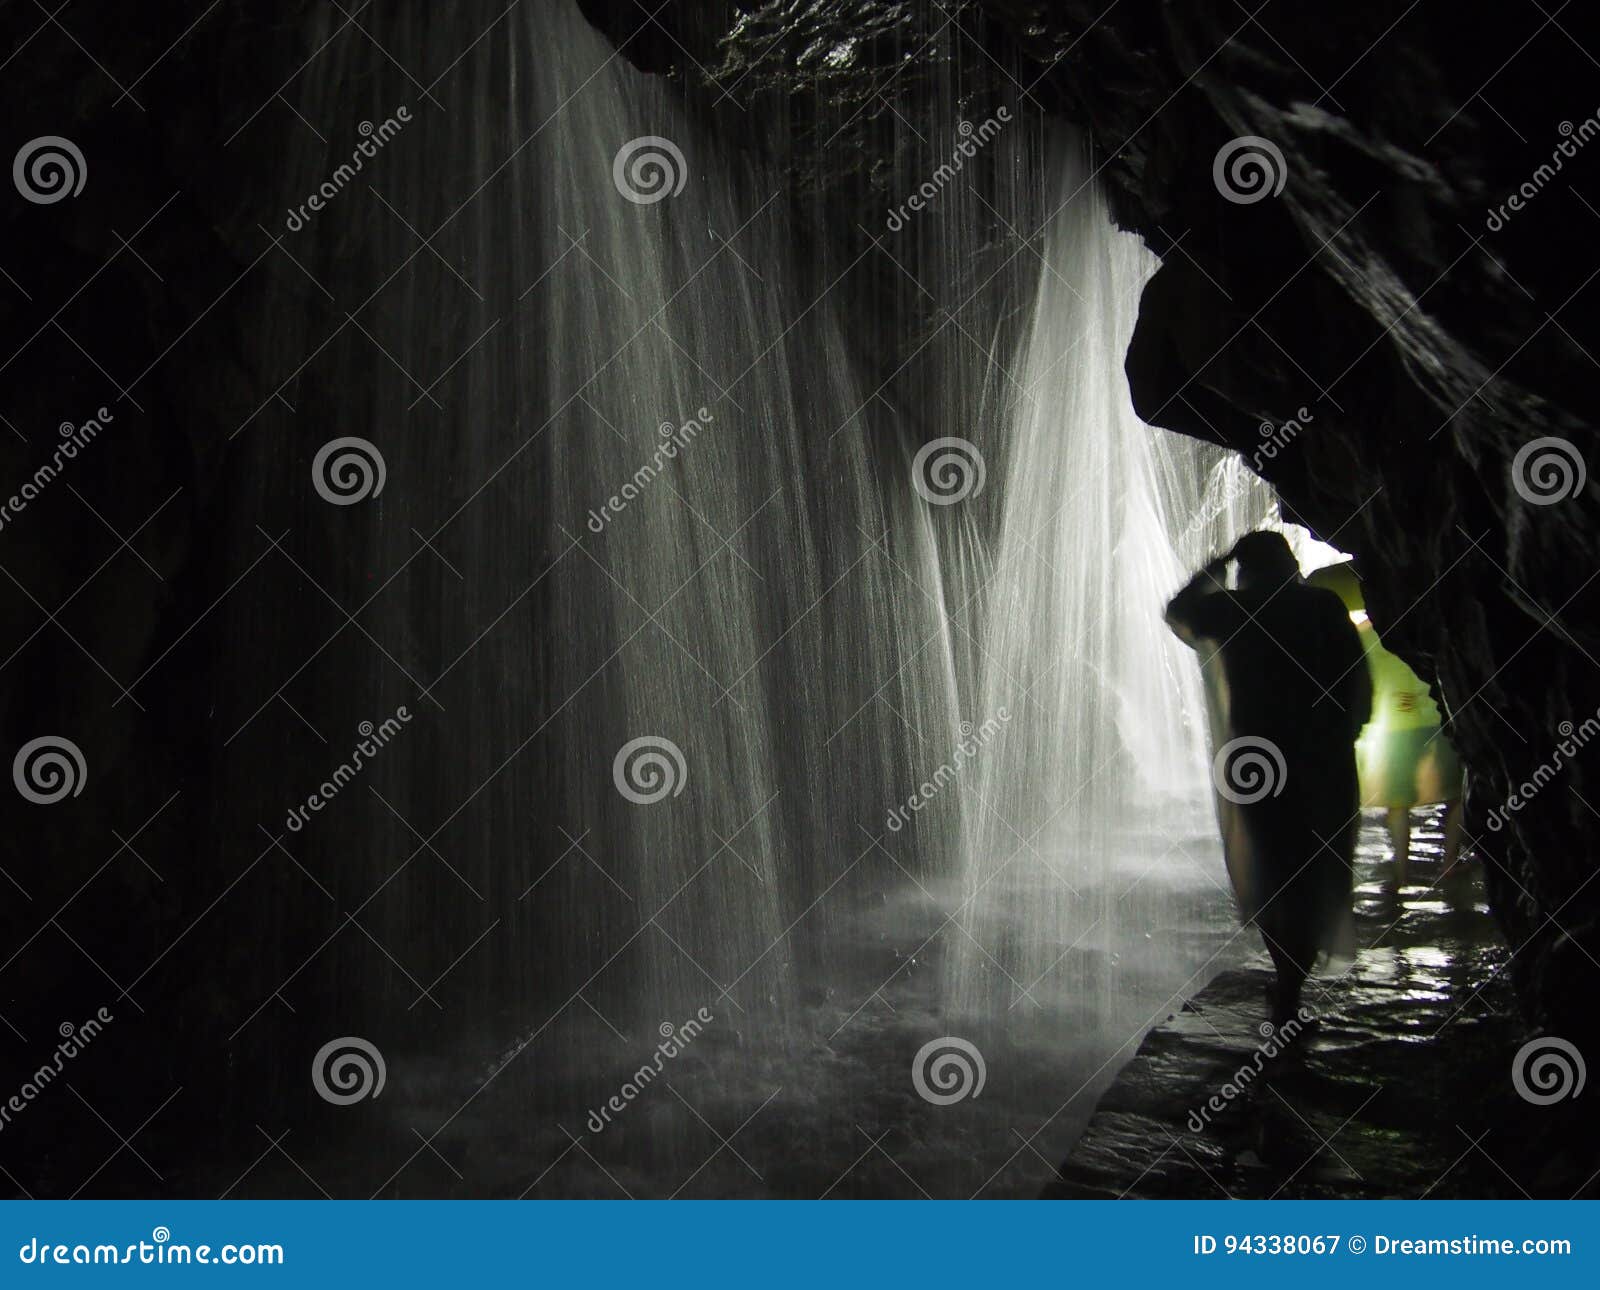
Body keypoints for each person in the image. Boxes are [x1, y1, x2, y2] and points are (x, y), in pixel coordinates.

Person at [1166, 530, 1373, 1027]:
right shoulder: (1323, 607)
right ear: (1289, 564)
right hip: (1320, 758)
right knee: (1316, 864)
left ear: (1248, 570)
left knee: (1272, 865)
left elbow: (1178, 612)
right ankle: (1292, 982)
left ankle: (1286, 979)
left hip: (1256, 760)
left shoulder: (1235, 610)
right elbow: (1357, 679)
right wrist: (1346, 730)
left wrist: (1216, 565)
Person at [1307, 560, 1467, 891]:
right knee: (1456, 794)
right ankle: (1449, 863)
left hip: (1393, 726)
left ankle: (1401, 873)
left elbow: (1357, 678)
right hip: (1436, 720)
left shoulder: (1363, 637)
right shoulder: (1423, 629)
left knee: (1398, 803)